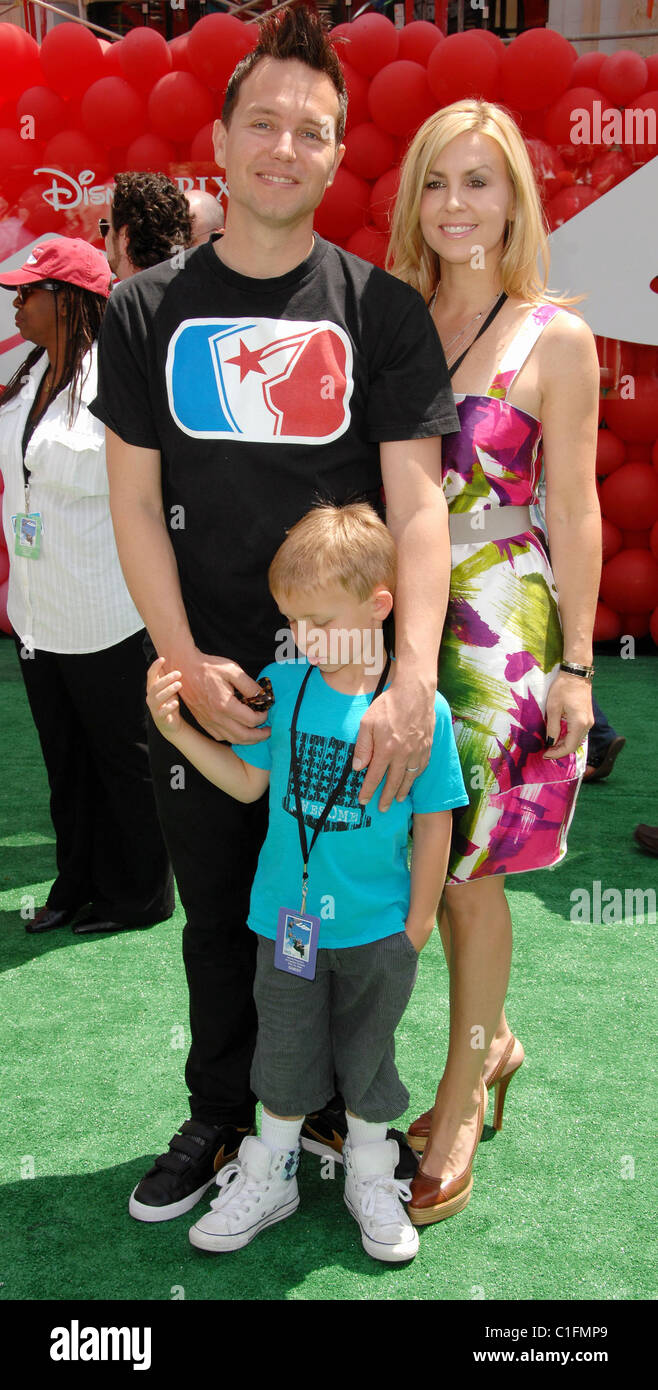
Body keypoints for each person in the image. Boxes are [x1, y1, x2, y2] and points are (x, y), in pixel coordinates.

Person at [91, 6, 459, 1224]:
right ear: (222, 136)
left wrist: (408, 681)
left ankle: (352, 1125)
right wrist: (184, 658)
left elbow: (416, 511)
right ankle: (227, 1113)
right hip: (208, 675)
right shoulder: (142, 311)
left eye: (312, 129)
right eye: (265, 121)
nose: (284, 147)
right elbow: (135, 506)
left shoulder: (384, 313)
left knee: (354, 914)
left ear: (335, 152)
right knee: (220, 909)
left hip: (352, 680)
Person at [147, 502, 468, 1261]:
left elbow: (435, 822)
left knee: (369, 1060)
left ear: (379, 605)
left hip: (377, 929)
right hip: (284, 921)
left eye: (320, 621)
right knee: (284, 1050)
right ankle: (274, 1169)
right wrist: (178, 733)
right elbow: (249, 786)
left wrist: (417, 922)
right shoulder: (283, 686)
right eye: (293, 620)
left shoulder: (421, 711)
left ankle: (368, 1170)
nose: (303, 638)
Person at [388, 99, 601, 1225]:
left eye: (480, 182)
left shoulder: (551, 336)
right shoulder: (389, 316)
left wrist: (577, 661)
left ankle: (462, 1094)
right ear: (412, 199)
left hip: (498, 638)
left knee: (470, 877)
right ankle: (494, 1040)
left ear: (514, 198)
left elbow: (573, 505)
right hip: (390, 629)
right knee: (404, 865)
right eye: (436, 181)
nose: (456, 205)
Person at [0, 237, 174, 936]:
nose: (16, 303)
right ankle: (74, 886)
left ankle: (138, 896)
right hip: (38, 612)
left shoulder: (118, 378)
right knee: (64, 764)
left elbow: (150, 495)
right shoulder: (28, 369)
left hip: (104, 611)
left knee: (121, 763)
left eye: (28, 292)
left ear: (70, 302)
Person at [99, 172, 192, 281]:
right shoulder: (200, 291)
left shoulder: (123, 297)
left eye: (105, 228)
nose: (105, 239)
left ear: (125, 237)